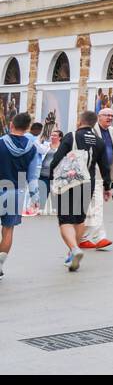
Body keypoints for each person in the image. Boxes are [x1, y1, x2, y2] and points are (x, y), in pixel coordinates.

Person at [50, 111, 111, 273]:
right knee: (79, 218)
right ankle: (72, 252)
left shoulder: (71, 137)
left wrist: (51, 177)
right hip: (87, 183)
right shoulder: (98, 141)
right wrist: (108, 187)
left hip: (68, 182)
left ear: (79, 121)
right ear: (94, 123)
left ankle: (74, 249)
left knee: (65, 220)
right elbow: (105, 167)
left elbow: (56, 160)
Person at [0, 112, 41, 279]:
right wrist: (35, 197)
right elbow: (32, 177)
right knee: (8, 230)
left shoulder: (0, 143)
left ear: (11, 125)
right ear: (27, 128)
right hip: (16, 192)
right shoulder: (32, 148)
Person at [80, 106, 113, 250]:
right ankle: (99, 238)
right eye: (106, 115)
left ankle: (85, 237)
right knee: (96, 205)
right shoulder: (91, 131)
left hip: (105, 172)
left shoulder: (112, 131)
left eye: (112, 116)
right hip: (93, 172)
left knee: (93, 207)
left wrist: (111, 179)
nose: (110, 118)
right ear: (99, 117)